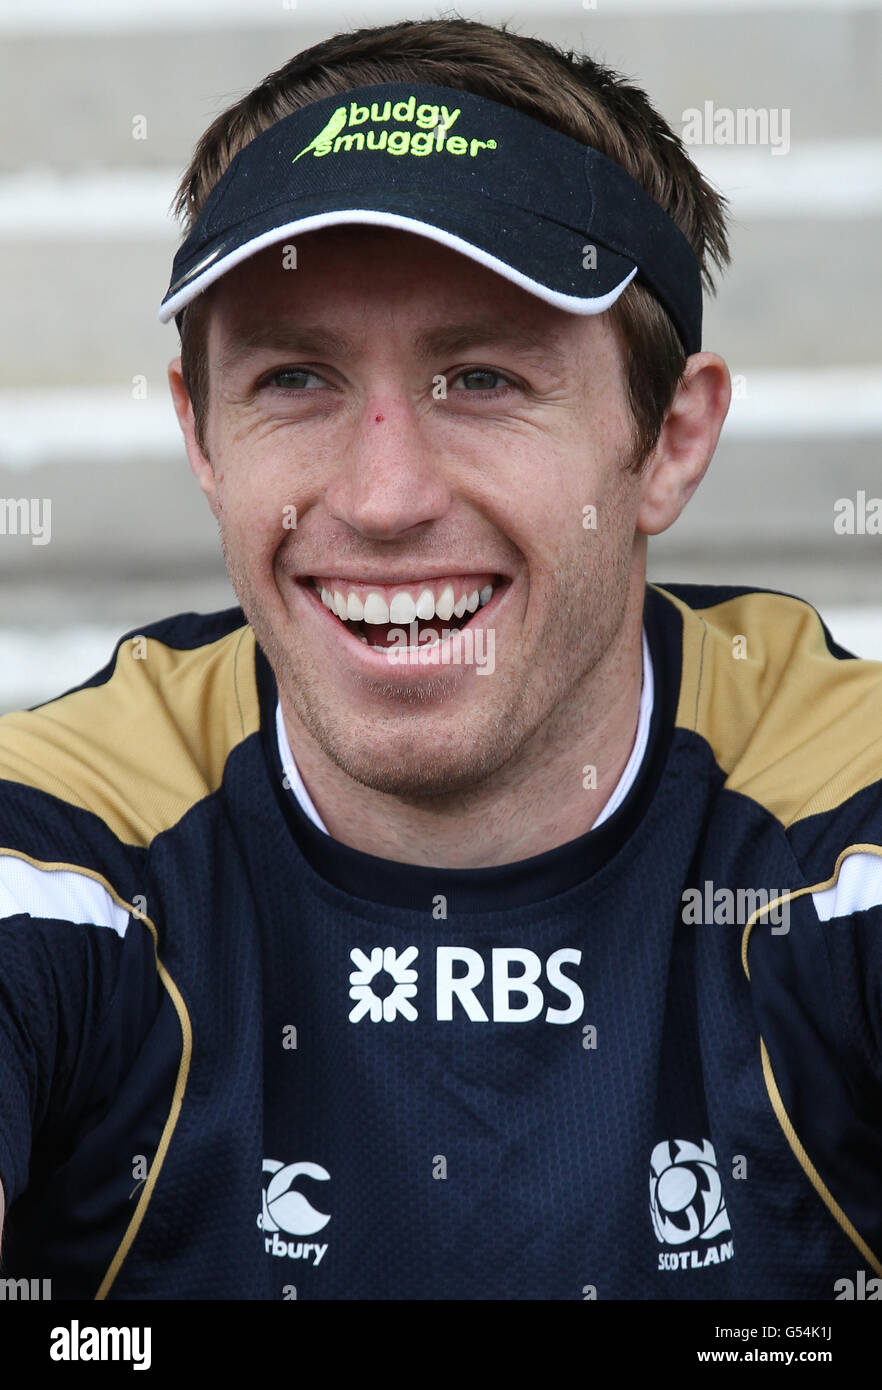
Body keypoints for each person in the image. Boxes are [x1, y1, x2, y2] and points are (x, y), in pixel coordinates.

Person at [0, 16, 880, 1302]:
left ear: (671, 440)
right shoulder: (68, 844)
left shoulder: (841, 820)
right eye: (295, 377)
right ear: (201, 440)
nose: (385, 494)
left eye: (481, 377)